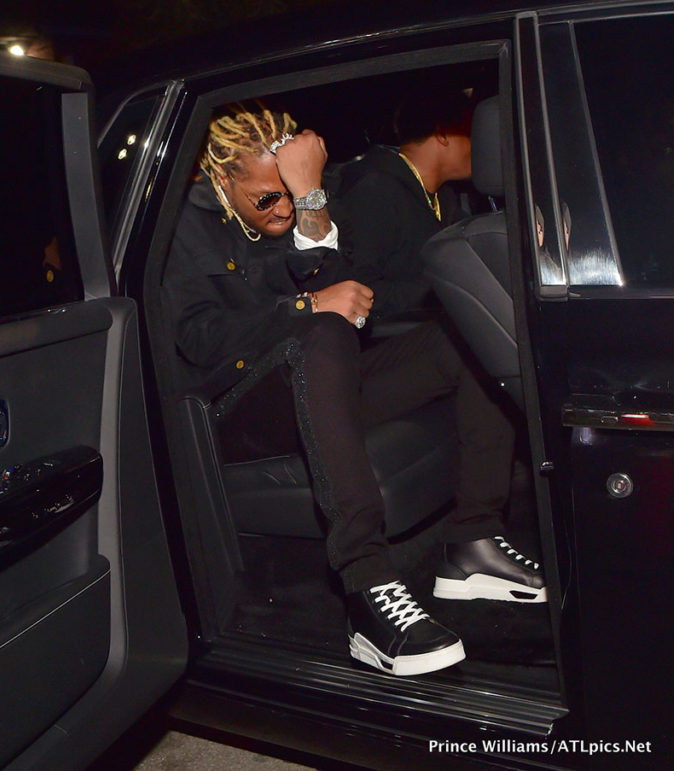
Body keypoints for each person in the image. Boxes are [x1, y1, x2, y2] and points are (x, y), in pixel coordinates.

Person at [163, 103, 546, 678]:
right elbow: (199, 341)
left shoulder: (300, 202)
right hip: (239, 409)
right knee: (318, 330)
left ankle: (473, 541)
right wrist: (302, 307)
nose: (285, 209)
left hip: (318, 384)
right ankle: (368, 584)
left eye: (292, 194)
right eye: (269, 197)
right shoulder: (183, 227)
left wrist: (309, 196)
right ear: (222, 180)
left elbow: (342, 290)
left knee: (461, 334)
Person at [334, 89, 474, 316]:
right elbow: (355, 289)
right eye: (471, 133)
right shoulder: (376, 192)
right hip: (395, 339)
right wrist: (440, 291)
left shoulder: (445, 198)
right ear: (443, 134)